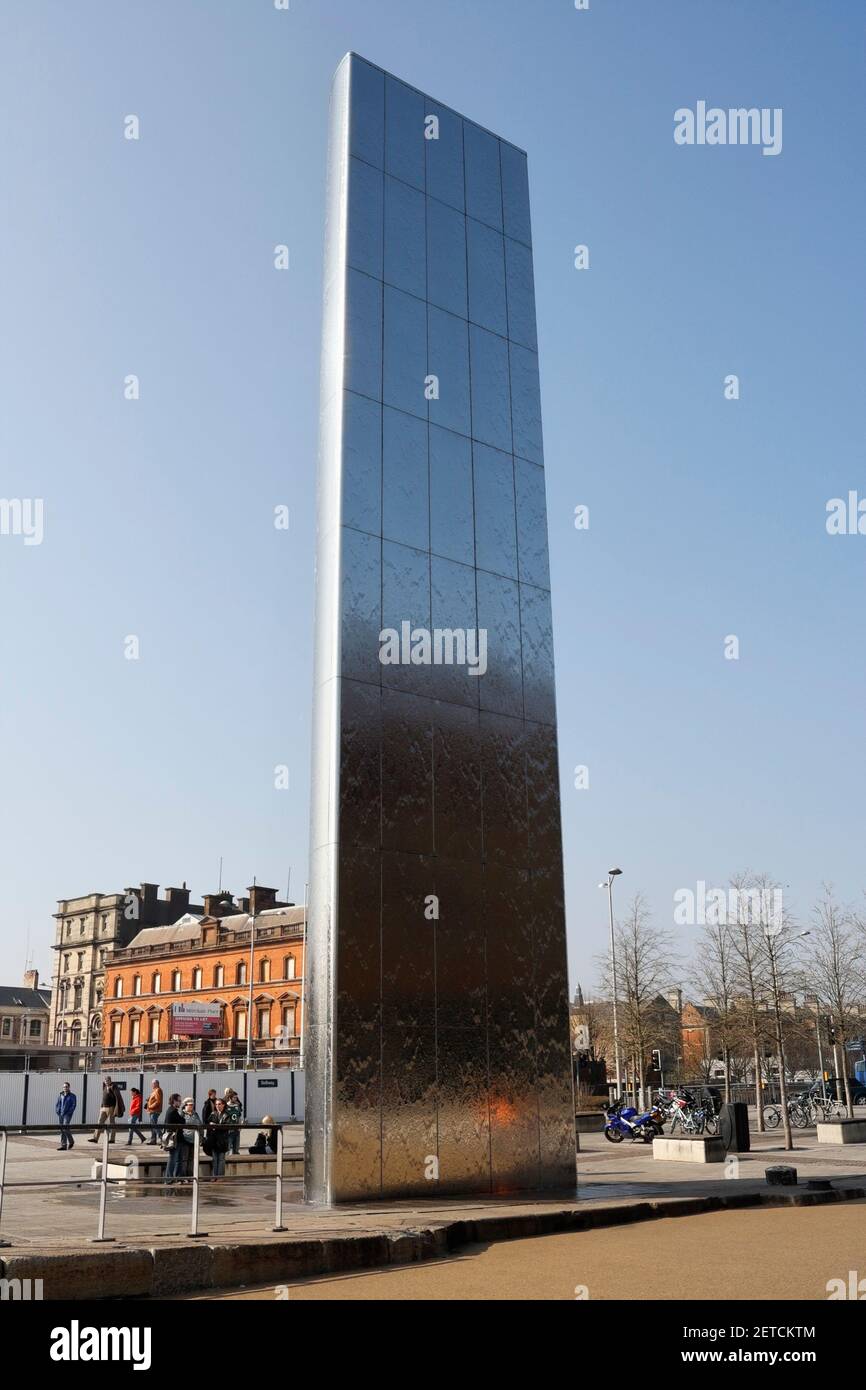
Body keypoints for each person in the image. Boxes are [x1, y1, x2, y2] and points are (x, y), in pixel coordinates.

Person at [205, 1097, 233, 1182]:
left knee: (221, 1159)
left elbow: (226, 1127)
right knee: (214, 1159)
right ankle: (214, 1176)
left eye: (219, 1104)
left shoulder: (227, 1115)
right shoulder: (213, 1114)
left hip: (222, 1141)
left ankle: (220, 1176)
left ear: (224, 1105)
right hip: (214, 1140)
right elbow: (208, 1124)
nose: (218, 1106)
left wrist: (215, 1125)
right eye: (216, 1104)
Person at [88, 1077, 120, 1143]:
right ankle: (95, 1138)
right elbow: (103, 1097)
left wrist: (109, 1091)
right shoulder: (105, 1087)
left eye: (108, 1080)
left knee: (111, 1123)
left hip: (111, 1108)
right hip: (103, 1108)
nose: (106, 1082)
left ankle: (112, 1139)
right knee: (99, 1122)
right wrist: (101, 1106)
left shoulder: (113, 1087)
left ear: (110, 1081)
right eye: (105, 1081)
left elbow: (116, 1097)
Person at [162, 1093, 184, 1186]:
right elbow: (182, 1121)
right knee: (174, 1158)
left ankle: (174, 1178)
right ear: (174, 1101)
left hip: (176, 1138)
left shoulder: (171, 1110)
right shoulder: (173, 1111)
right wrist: (183, 1114)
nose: (180, 1102)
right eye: (179, 1100)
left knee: (177, 1158)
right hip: (175, 1138)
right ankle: (169, 1178)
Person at [177, 1097, 201, 1179]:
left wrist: (201, 1137)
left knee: (192, 1159)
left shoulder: (195, 1114)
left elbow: (200, 1125)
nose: (191, 1107)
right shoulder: (182, 1114)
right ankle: (183, 1177)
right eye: (189, 1105)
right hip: (185, 1140)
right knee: (184, 1159)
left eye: (192, 1105)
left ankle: (190, 1176)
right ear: (185, 1105)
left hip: (194, 1140)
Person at [55, 1081, 77, 1150]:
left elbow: (73, 1105)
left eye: (66, 1087)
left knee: (65, 1127)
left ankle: (71, 1141)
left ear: (69, 1087)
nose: (65, 1088)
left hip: (67, 1115)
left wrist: (69, 1112)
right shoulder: (60, 1095)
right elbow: (58, 1104)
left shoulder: (72, 1096)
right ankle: (64, 1145)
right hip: (60, 1114)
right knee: (62, 1129)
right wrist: (57, 1110)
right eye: (64, 1087)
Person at [224, 1088, 244, 1155]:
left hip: (237, 1130)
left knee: (236, 1149)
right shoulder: (226, 1106)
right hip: (229, 1131)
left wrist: (240, 1124)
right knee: (227, 1149)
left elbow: (239, 1116)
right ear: (230, 1098)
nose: (236, 1099)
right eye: (234, 1098)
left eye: (236, 1097)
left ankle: (235, 1164)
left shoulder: (237, 1106)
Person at [145, 1080, 163, 1145]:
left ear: (157, 1084)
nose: (152, 1085)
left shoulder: (158, 1090)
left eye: (153, 1084)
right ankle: (153, 1140)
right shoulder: (154, 1091)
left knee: (154, 1125)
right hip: (152, 1111)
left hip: (155, 1110)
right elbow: (153, 1099)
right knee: (152, 1126)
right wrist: (148, 1100)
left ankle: (162, 1138)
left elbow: (158, 1101)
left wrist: (150, 1106)